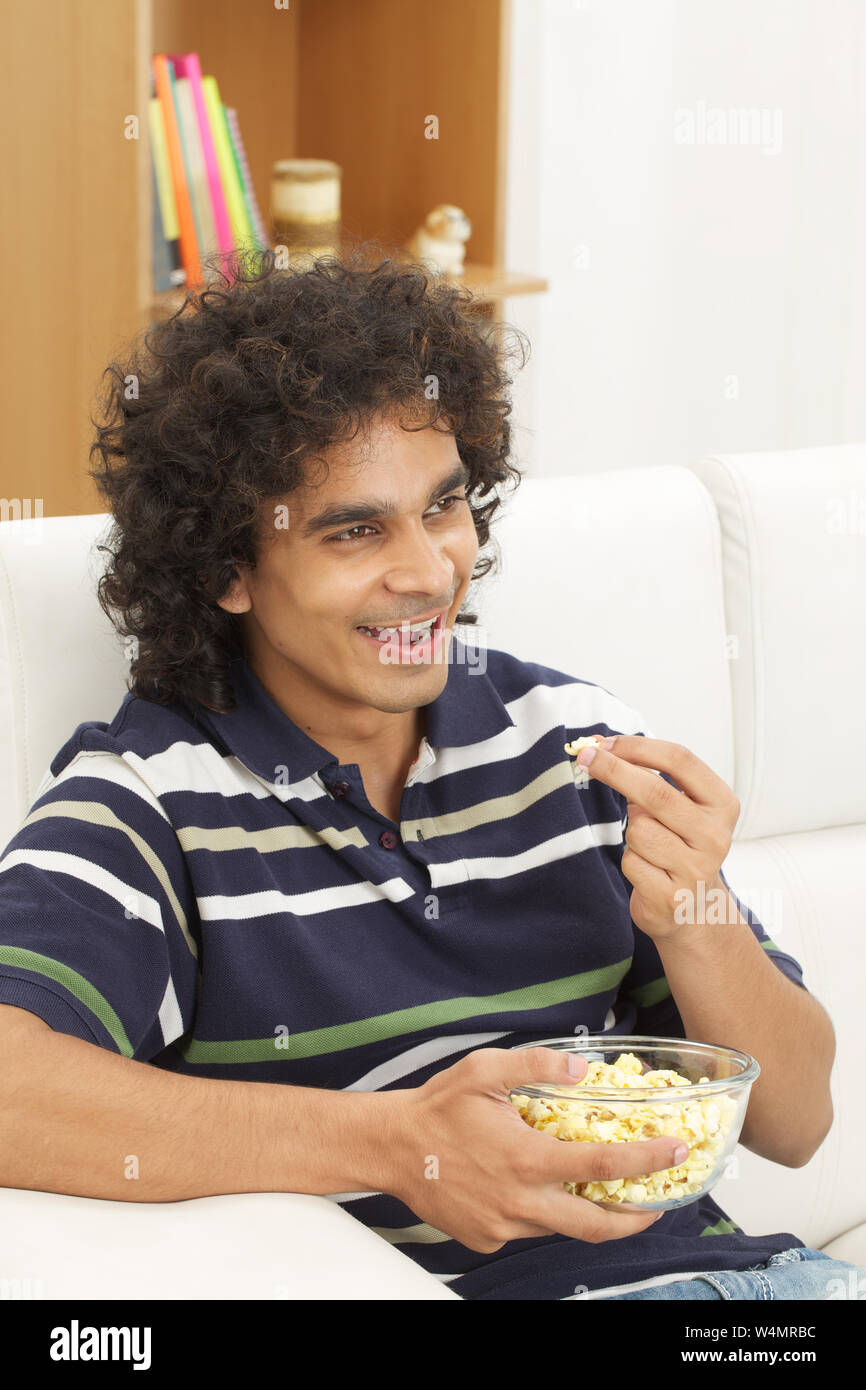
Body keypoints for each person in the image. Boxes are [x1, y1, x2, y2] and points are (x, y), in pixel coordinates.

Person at [0, 249, 861, 1301]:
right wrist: (391, 1142)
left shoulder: (572, 734)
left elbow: (797, 1120)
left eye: (442, 508)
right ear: (227, 567)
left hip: (764, 1289)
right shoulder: (150, 801)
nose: (426, 572)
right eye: (355, 529)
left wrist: (695, 915)